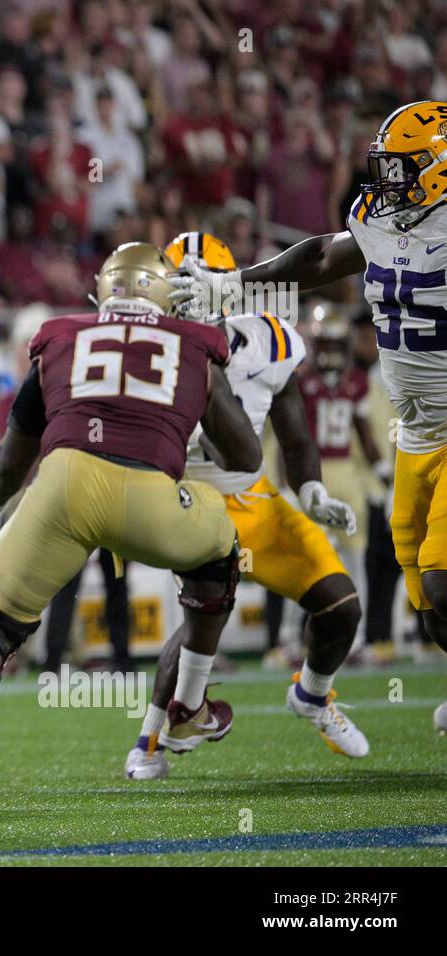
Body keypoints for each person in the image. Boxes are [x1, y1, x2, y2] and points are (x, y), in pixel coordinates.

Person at [0, 242, 260, 793]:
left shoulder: (62, 336)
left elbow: (13, 454)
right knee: (218, 547)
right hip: (149, 494)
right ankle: (189, 703)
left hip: (62, 483)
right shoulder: (194, 344)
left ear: (104, 289)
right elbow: (247, 458)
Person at [173, 100, 447, 734]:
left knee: (442, 582)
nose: (385, 182)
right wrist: (235, 285)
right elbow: (323, 258)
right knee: (429, 605)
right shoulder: (384, 220)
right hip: (417, 433)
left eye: (401, 169)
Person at [125, 233, 370, 781]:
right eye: (177, 289)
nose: (186, 303)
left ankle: (313, 695)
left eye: (196, 289)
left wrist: (312, 492)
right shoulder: (144, 350)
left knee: (342, 607)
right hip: (189, 499)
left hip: (254, 497)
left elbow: (297, 435)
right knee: (201, 616)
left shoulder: (267, 343)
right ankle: (149, 741)